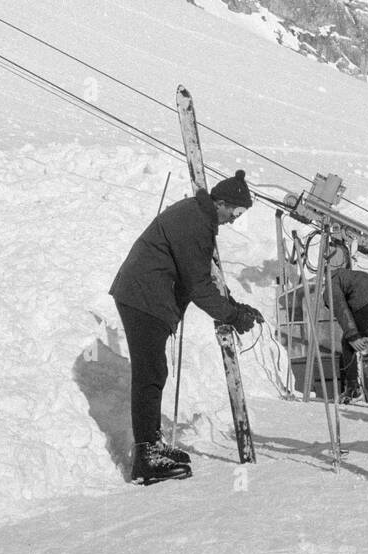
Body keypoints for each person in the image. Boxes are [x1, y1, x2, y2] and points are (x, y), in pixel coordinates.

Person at [110, 169, 263, 485]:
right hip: (144, 298)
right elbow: (198, 286)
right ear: (220, 202)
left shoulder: (198, 216)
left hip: (146, 296)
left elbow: (202, 276)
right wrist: (233, 316)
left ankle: (152, 445)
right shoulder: (195, 223)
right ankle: (146, 457)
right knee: (150, 373)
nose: (235, 219)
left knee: (155, 372)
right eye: (235, 211)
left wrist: (234, 307)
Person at [321, 244, 368, 404]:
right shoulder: (352, 275)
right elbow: (366, 312)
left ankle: (353, 389)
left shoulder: (332, 281)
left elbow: (341, 308)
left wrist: (354, 335)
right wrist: (365, 333)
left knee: (347, 342)